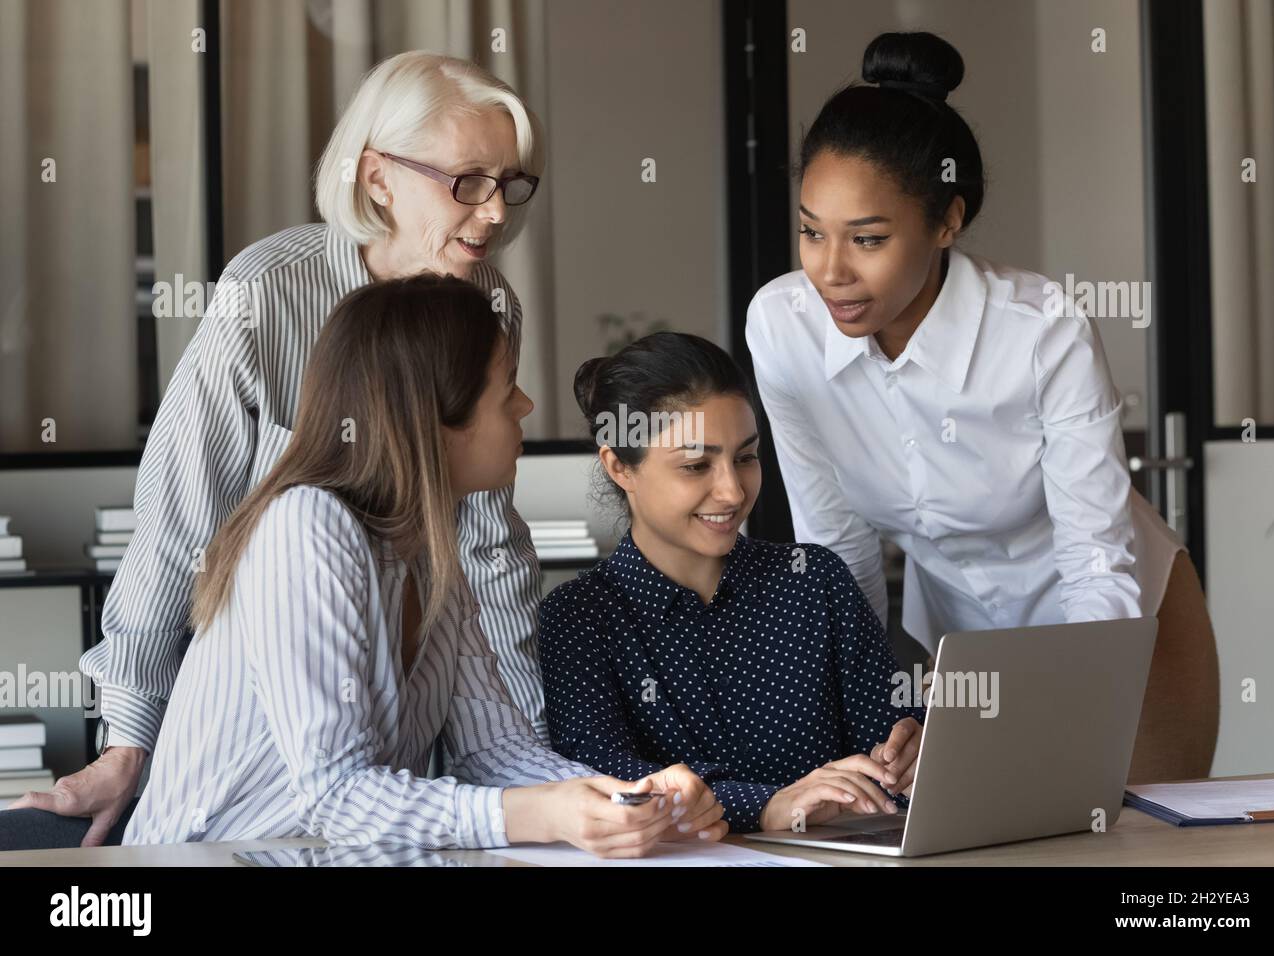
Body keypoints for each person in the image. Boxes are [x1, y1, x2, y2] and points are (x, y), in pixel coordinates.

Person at [9, 52, 558, 846]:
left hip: (374, 756)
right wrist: (128, 742)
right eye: (468, 180)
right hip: (255, 740)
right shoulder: (266, 293)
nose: (497, 212)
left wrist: (534, 764)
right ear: (378, 178)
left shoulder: (489, 305)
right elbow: (177, 525)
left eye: (510, 184)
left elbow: (484, 542)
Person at [744, 31, 1218, 781]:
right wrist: (873, 714)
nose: (829, 271)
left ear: (946, 222)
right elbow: (836, 543)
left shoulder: (1041, 331)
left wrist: (1068, 706)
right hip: (963, 635)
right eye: (810, 231)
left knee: (1133, 841)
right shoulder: (782, 327)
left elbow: (1095, 560)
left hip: (1120, 618)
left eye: (867, 239)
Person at [119, 274, 726, 855]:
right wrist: (541, 814)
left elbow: (496, 750)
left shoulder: (431, 547)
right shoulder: (305, 525)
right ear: (437, 418)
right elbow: (337, 796)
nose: (526, 403)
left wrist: (626, 801)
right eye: (505, 386)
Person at [538, 332, 926, 835]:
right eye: (696, 466)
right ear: (619, 467)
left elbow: (890, 734)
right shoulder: (579, 617)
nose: (732, 490)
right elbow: (607, 781)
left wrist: (912, 752)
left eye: (745, 457)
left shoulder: (813, 580)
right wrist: (768, 806)